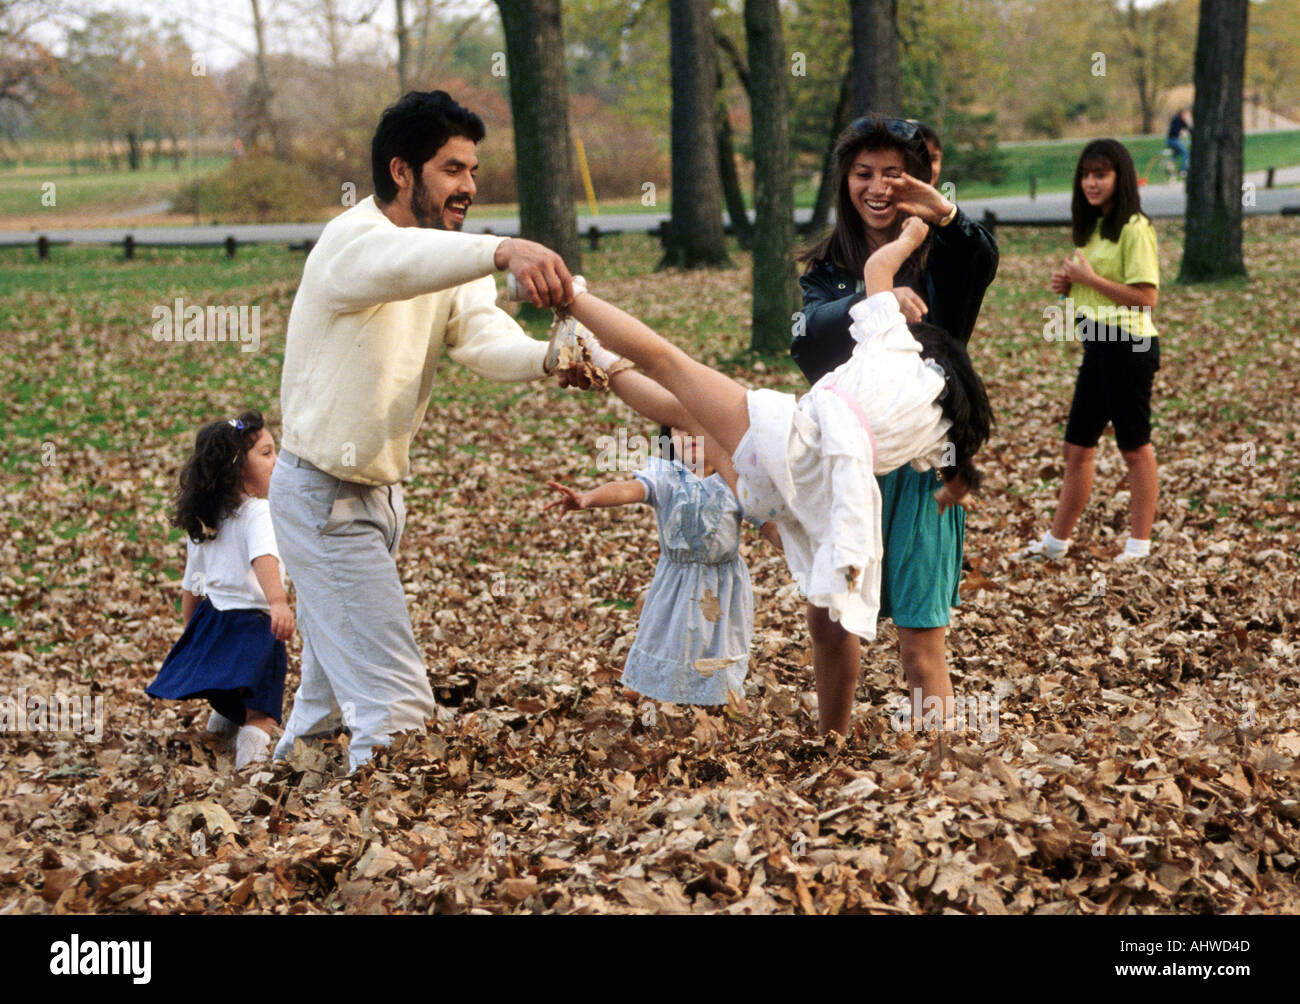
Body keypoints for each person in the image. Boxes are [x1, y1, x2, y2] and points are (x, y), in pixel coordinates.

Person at [270, 90, 585, 773]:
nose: (469, 186)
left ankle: (285, 815)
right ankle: (377, 846)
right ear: (401, 170)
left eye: (472, 170)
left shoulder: (446, 255)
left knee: (324, 710)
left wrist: (547, 357)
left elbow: (480, 337)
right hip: (323, 499)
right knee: (396, 710)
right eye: (452, 169)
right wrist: (503, 250)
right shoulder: (351, 243)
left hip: (380, 500)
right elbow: (397, 264)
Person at [563, 217, 992, 662]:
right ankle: (597, 356)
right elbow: (953, 474)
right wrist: (953, 492)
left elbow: (878, 270)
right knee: (685, 410)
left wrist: (911, 238)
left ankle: (572, 302)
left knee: (669, 367)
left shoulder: (898, 347)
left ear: (927, 348)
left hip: (792, 438)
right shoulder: (937, 423)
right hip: (807, 497)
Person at [790, 115, 998, 737]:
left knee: (918, 641)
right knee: (830, 623)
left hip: (921, 464)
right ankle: (831, 744)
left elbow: (982, 256)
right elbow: (807, 338)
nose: (877, 187)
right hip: (846, 460)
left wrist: (944, 212)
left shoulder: (947, 253)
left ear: (916, 177)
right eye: (863, 174)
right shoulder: (827, 265)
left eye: (891, 173)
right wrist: (871, 303)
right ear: (844, 181)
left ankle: (939, 765)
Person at [1016, 138, 1160, 565]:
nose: (1091, 183)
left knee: (1134, 448)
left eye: (1101, 174)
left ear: (1121, 178)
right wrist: (1069, 287)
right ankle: (1056, 544)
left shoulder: (1135, 228)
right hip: (1097, 347)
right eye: (1085, 175)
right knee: (1077, 449)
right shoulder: (1094, 227)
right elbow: (1092, 288)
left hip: (1129, 348)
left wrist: (1089, 279)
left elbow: (1146, 297)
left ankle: (1138, 547)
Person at [544, 423, 760, 707]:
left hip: (722, 584)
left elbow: (767, 521)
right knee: (673, 643)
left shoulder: (734, 480)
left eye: (699, 427)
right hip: (675, 583)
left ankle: (724, 709)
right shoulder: (665, 476)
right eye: (680, 431)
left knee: (720, 650)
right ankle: (668, 709)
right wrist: (588, 499)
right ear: (668, 438)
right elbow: (626, 489)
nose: (690, 437)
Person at [147, 411, 293, 769]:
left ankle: (216, 743)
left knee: (231, 700)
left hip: (214, 623)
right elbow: (264, 557)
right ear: (236, 470)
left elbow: (192, 584)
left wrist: (192, 634)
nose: (277, 461)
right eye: (267, 453)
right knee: (262, 713)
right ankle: (250, 773)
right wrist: (278, 602)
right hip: (254, 628)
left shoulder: (206, 518)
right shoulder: (258, 512)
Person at [1166, 108, 1191, 176]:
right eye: (1186, 115)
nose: (1186, 116)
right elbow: (1189, 128)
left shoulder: (1176, 119)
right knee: (1186, 153)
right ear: (1182, 114)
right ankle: (1183, 171)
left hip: (1169, 140)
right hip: (1174, 140)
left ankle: (1169, 168)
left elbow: (1186, 129)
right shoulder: (1179, 120)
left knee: (1175, 154)